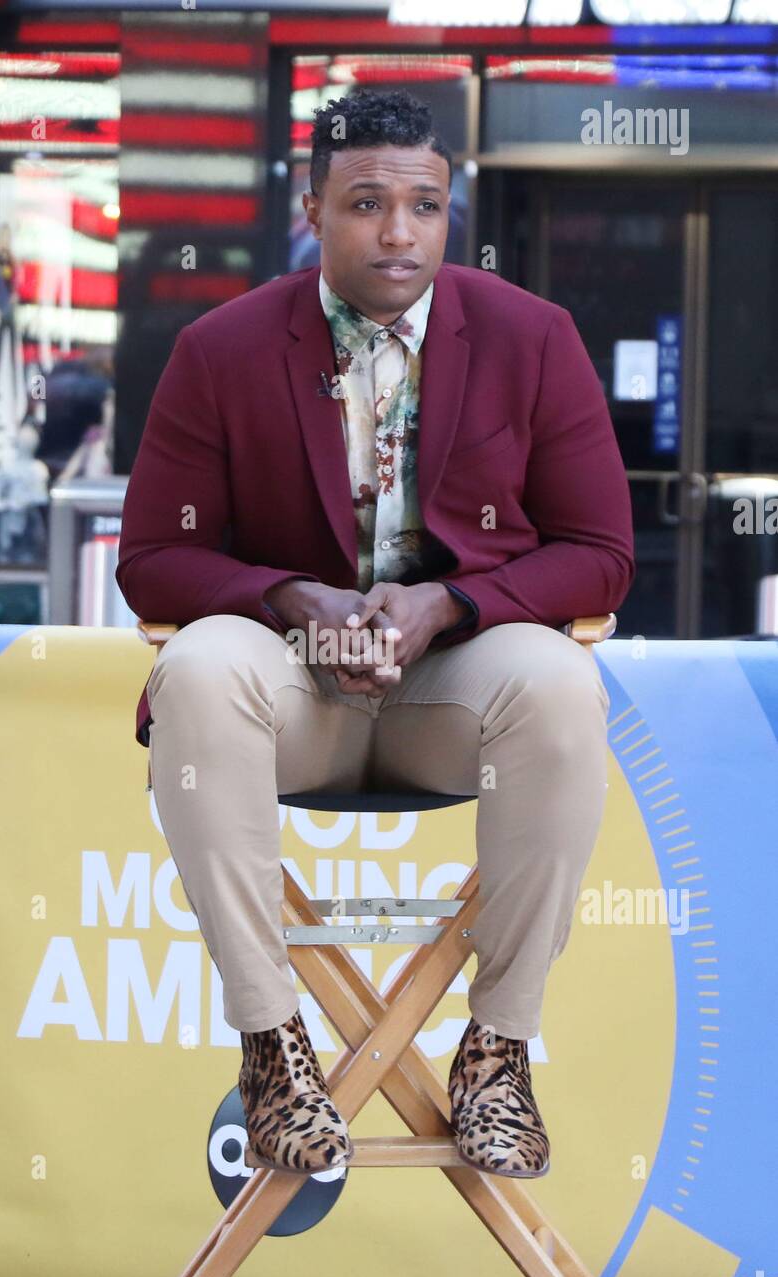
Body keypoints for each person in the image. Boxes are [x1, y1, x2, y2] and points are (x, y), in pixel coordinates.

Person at [116, 88, 635, 1179]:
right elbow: (154, 560)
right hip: (293, 691)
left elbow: (598, 552)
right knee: (198, 664)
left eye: (423, 206)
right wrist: (292, 600)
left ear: (450, 212)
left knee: (555, 679)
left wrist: (446, 602)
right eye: (364, 204)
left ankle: (496, 1048)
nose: (397, 233)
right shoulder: (222, 348)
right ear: (312, 208)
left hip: (450, 694)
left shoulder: (530, 339)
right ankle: (271, 1044)